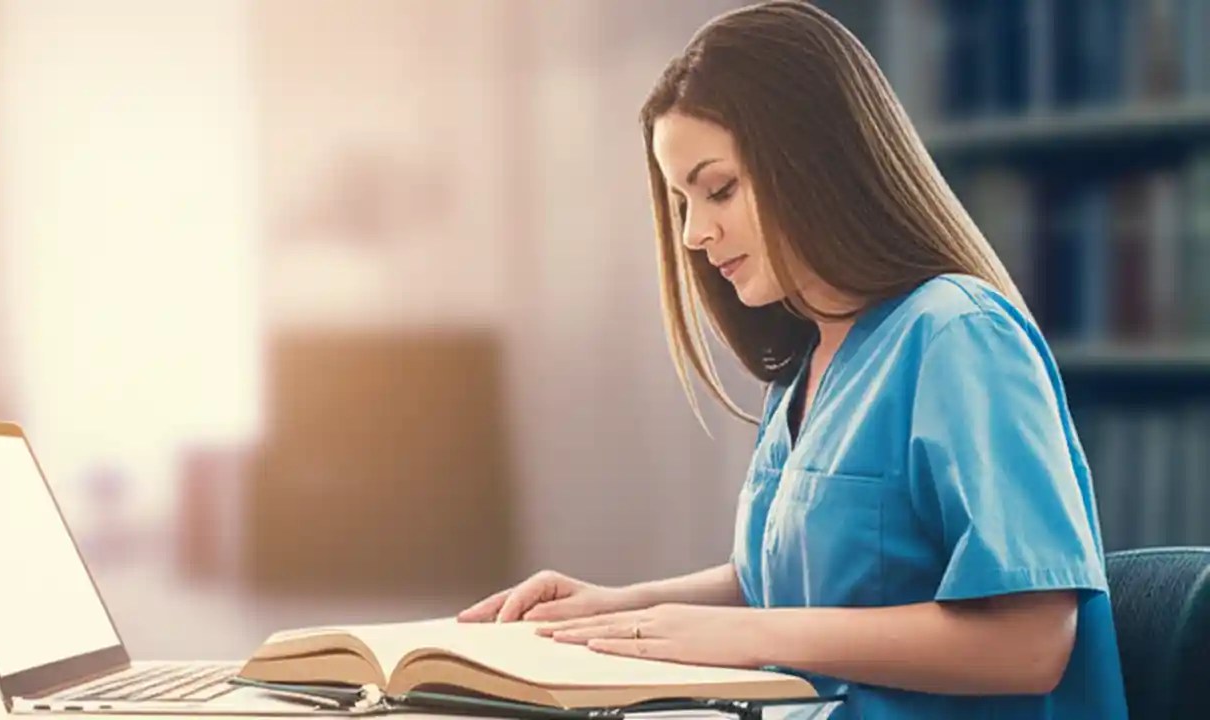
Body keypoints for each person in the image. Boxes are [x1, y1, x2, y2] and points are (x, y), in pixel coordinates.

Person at [458, 2, 1128, 718]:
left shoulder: (956, 334)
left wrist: (743, 636)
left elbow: (1029, 643)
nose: (692, 234)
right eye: (681, 200)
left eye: (719, 190)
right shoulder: (811, 358)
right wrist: (612, 611)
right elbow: (789, 584)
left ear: (818, 161)